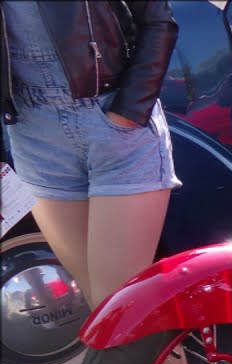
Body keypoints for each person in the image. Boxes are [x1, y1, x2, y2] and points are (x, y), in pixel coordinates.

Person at [1, 1, 180, 311]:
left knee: (121, 310)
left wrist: (128, 112)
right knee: (105, 310)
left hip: (111, 121)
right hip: (32, 133)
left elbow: (157, 21)